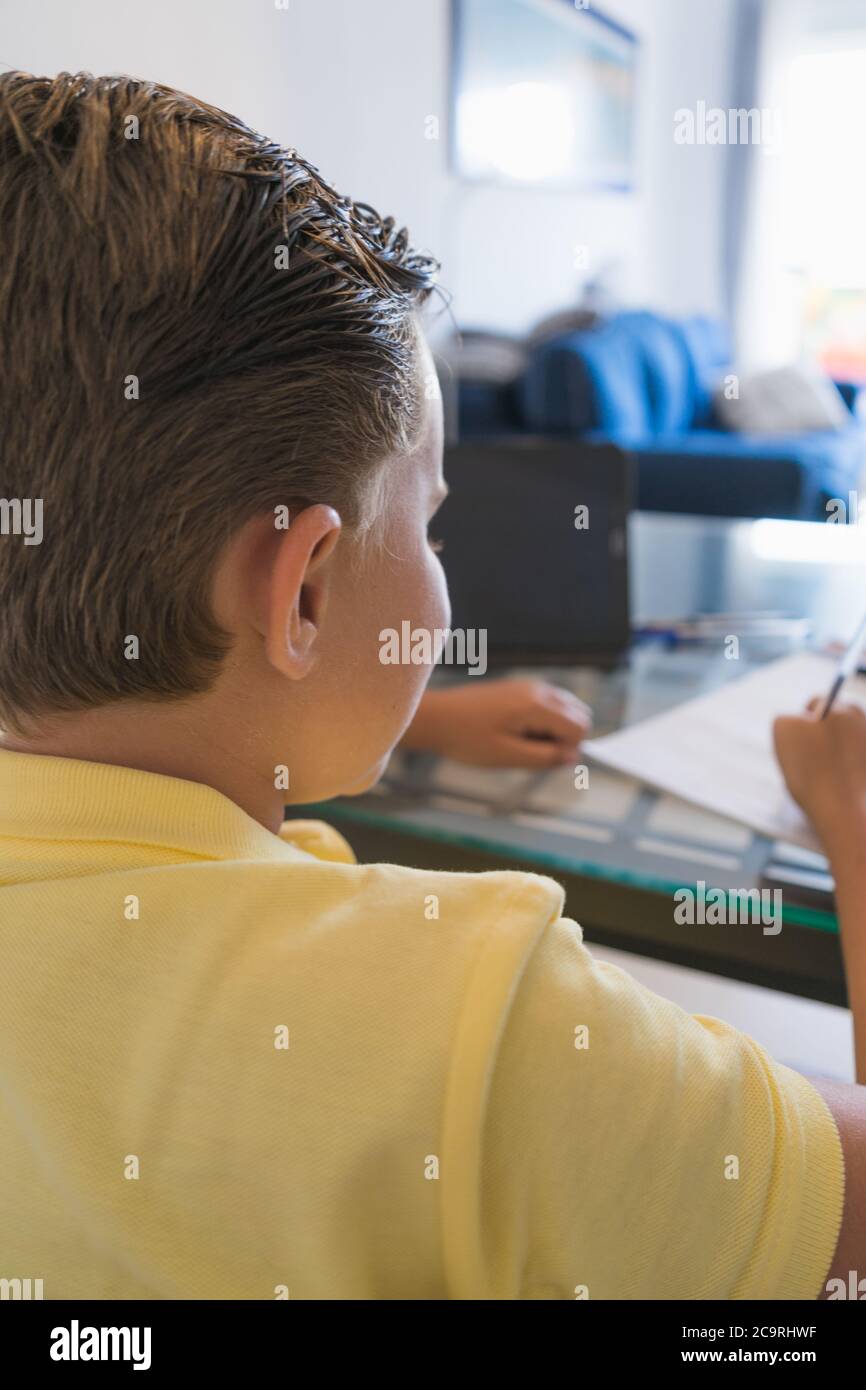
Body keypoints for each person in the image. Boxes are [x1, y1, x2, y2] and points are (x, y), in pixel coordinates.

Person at [0, 71, 862, 1301]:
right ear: (301, 590)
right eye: (433, 523)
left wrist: (429, 713)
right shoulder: (488, 1038)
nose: (442, 562)